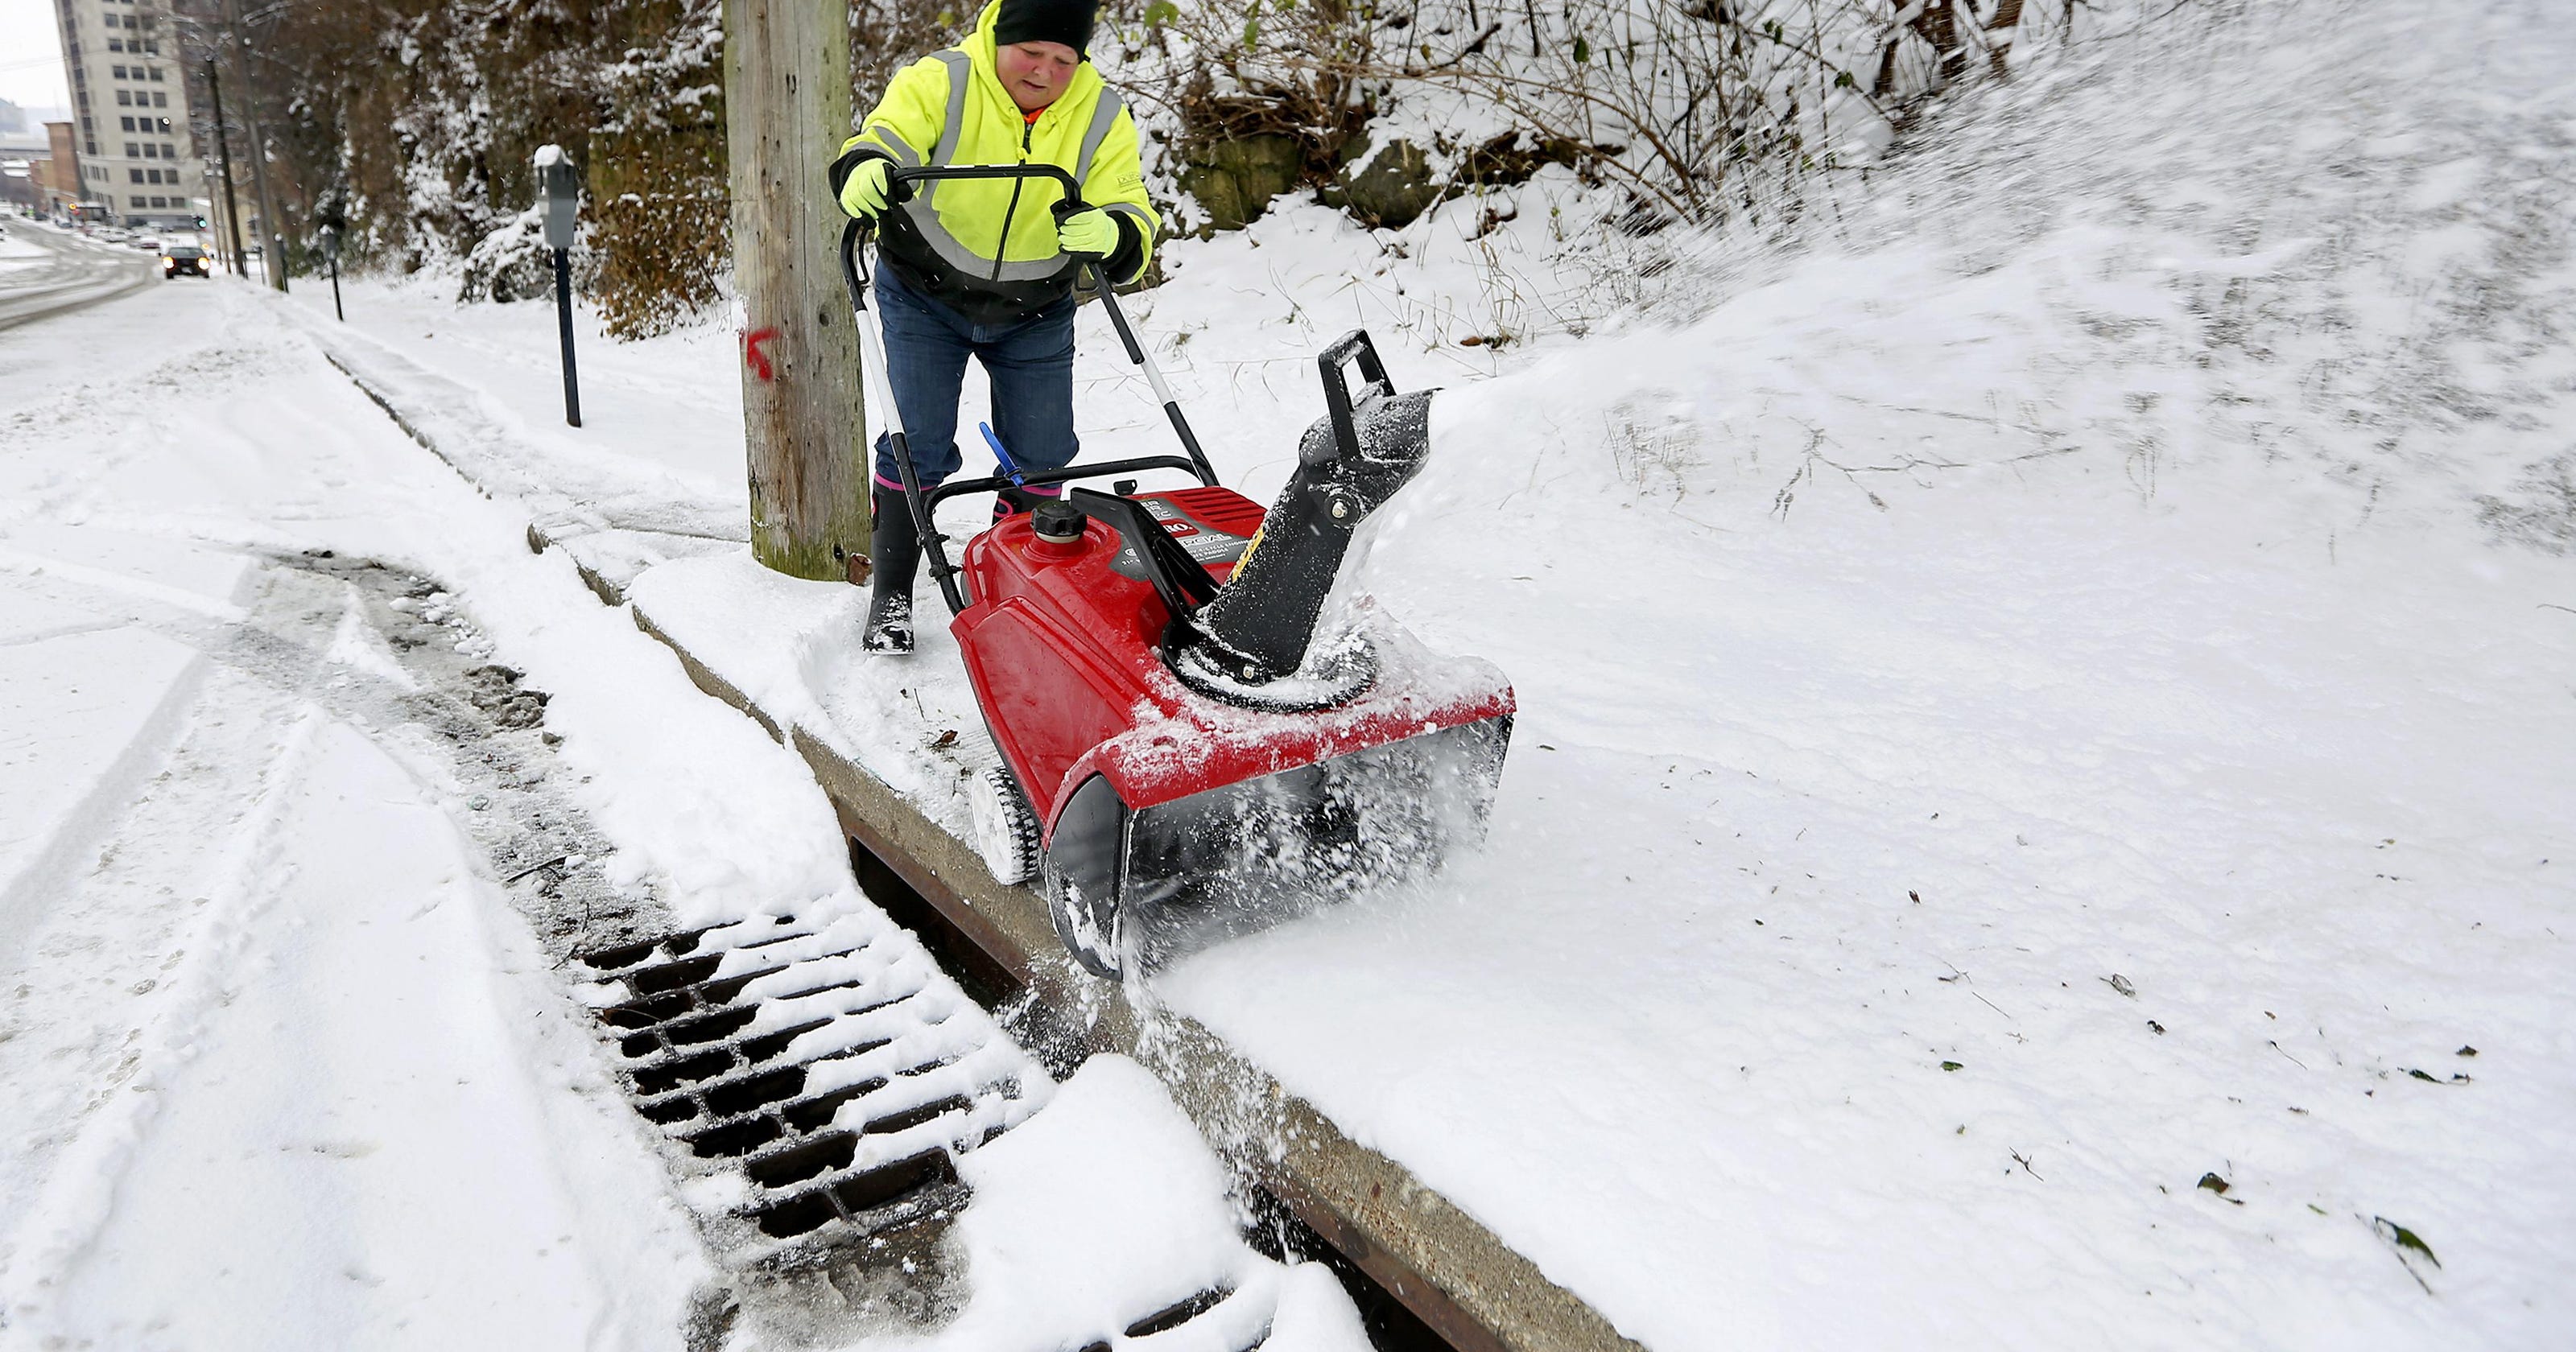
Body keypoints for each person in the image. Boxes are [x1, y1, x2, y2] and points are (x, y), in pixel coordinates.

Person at [830, 0, 1159, 653]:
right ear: (1000, 40)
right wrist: (865, 166)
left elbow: (1131, 205)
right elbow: (886, 136)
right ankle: (893, 595)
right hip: (927, 292)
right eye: (1032, 53)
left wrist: (1116, 229)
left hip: (1035, 307)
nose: (1045, 71)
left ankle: (1017, 581)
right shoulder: (942, 81)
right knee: (916, 441)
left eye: (1064, 60)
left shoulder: (1100, 112)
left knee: (1041, 449)